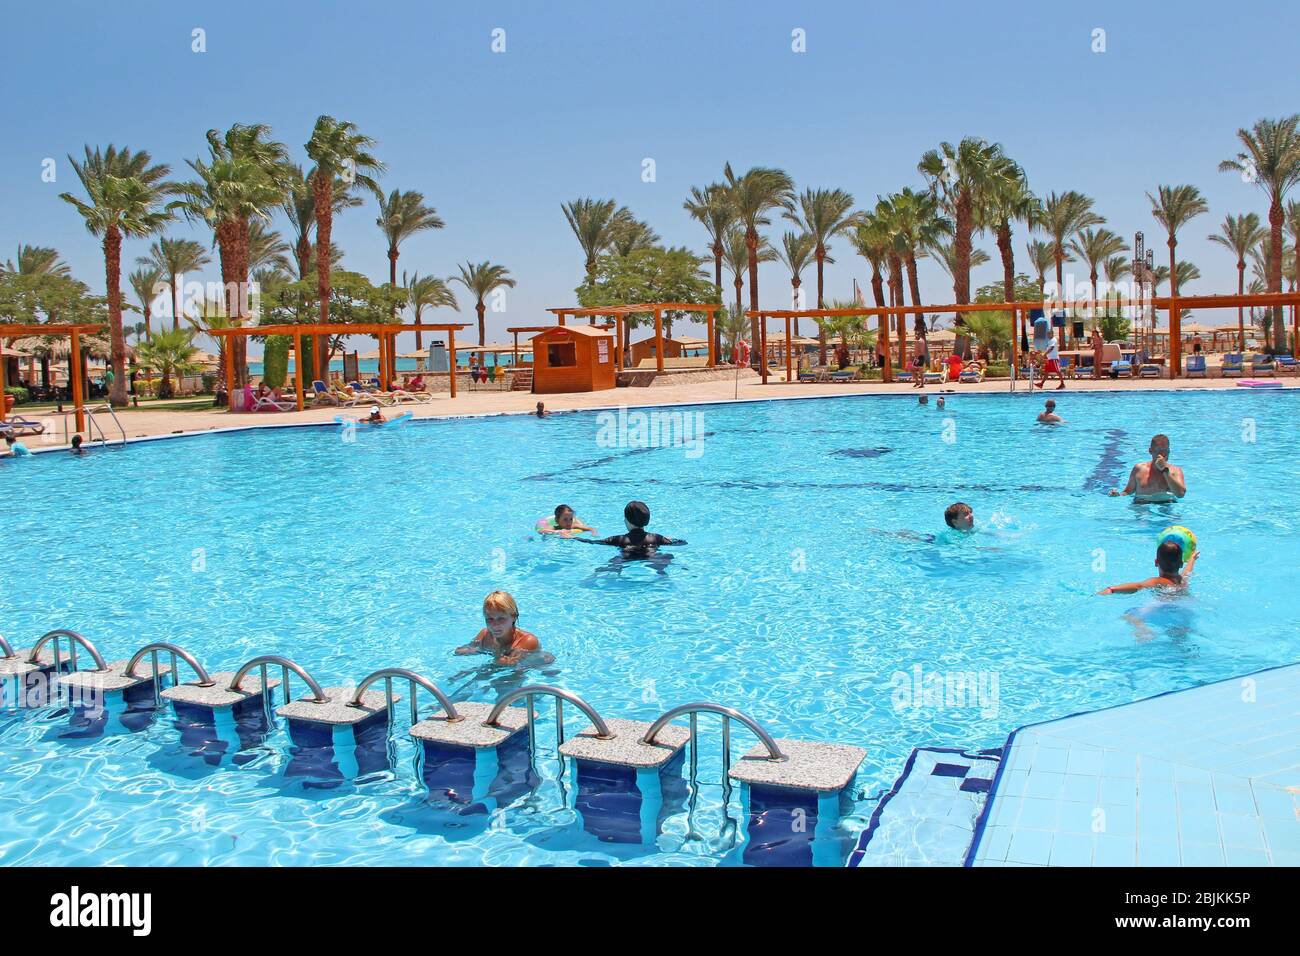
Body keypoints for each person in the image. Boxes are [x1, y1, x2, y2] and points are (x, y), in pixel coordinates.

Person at [454, 591, 541, 665]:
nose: (495, 625)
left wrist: (497, 652)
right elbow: (459, 651)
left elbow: (510, 665)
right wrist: (479, 649)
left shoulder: (527, 640)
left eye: (501, 619)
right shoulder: (485, 634)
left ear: (514, 617)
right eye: (490, 619)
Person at [577, 500, 685, 559]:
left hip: (627, 556)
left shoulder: (620, 539)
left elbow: (593, 542)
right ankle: (662, 574)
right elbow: (682, 543)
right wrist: (671, 540)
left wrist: (573, 537)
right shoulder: (656, 537)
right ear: (647, 521)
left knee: (614, 562)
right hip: (650, 555)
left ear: (627, 521)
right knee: (667, 557)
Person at [1099, 541, 1199, 595]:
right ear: (1181, 564)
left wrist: (1112, 589)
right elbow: (1187, 571)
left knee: (1130, 616)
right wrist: (1192, 559)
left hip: (1162, 606)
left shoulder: (1158, 582)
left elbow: (1138, 586)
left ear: (1156, 562)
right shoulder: (1181, 580)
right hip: (1183, 604)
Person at [1109, 434, 1187, 502]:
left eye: (1165, 451)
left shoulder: (1175, 471)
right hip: (1141, 504)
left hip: (1166, 504)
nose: (1163, 454)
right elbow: (1128, 491)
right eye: (1159, 451)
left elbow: (1180, 494)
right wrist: (1118, 495)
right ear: (1150, 451)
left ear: (1169, 450)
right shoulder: (1139, 469)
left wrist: (1164, 470)